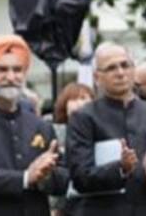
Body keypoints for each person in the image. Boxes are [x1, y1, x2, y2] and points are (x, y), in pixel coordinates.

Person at [0, 34, 69, 215]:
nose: (11, 77)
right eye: (1, 70)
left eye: (17, 70)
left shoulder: (41, 126)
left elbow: (63, 180)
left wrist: (46, 177)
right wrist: (25, 178)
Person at [67, 42, 146, 215]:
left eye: (125, 65)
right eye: (111, 68)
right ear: (97, 77)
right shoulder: (84, 117)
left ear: (133, 70)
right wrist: (120, 169)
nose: (120, 73)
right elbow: (80, 177)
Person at [51, 82, 94, 216]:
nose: (80, 103)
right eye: (74, 99)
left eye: (84, 98)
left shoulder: (98, 131)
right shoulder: (54, 132)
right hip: (63, 204)